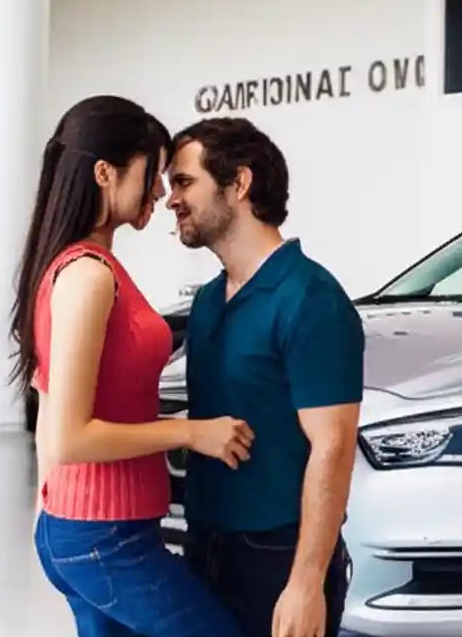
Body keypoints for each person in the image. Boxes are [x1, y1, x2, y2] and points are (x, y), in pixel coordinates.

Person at [11, 95, 251, 637]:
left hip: (91, 529)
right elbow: (69, 436)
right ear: (105, 173)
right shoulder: (88, 276)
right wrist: (193, 431)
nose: (161, 195)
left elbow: (52, 409)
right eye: (152, 175)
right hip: (103, 536)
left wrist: (53, 515)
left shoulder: (79, 266)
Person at [166, 116, 364, 637]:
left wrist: (305, 584)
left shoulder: (311, 299)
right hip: (204, 543)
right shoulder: (209, 300)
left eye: (184, 182)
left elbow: (334, 447)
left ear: (240, 182)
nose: (171, 201)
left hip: (276, 557)